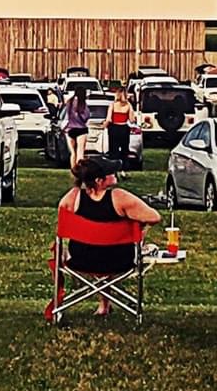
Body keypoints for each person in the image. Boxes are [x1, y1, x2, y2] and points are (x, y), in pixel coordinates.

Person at [58, 155, 162, 315]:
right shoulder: (120, 197)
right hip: (119, 260)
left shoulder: (72, 198)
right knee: (106, 250)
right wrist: (139, 228)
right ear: (99, 180)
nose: (115, 174)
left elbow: (63, 219)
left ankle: (103, 305)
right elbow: (154, 217)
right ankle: (108, 305)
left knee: (98, 247)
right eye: (111, 172)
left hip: (81, 260)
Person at [61, 87, 91, 165]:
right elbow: (86, 116)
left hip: (70, 129)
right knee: (80, 152)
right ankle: (80, 170)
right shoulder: (83, 104)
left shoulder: (69, 102)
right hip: (81, 129)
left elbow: (66, 116)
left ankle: (73, 169)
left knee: (73, 153)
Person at [107, 91, 133, 160]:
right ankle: (124, 163)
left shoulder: (113, 105)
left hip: (114, 128)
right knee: (124, 148)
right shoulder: (128, 105)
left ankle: (114, 163)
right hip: (124, 128)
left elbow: (109, 119)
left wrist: (105, 125)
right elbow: (131, 120)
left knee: (113, 148)